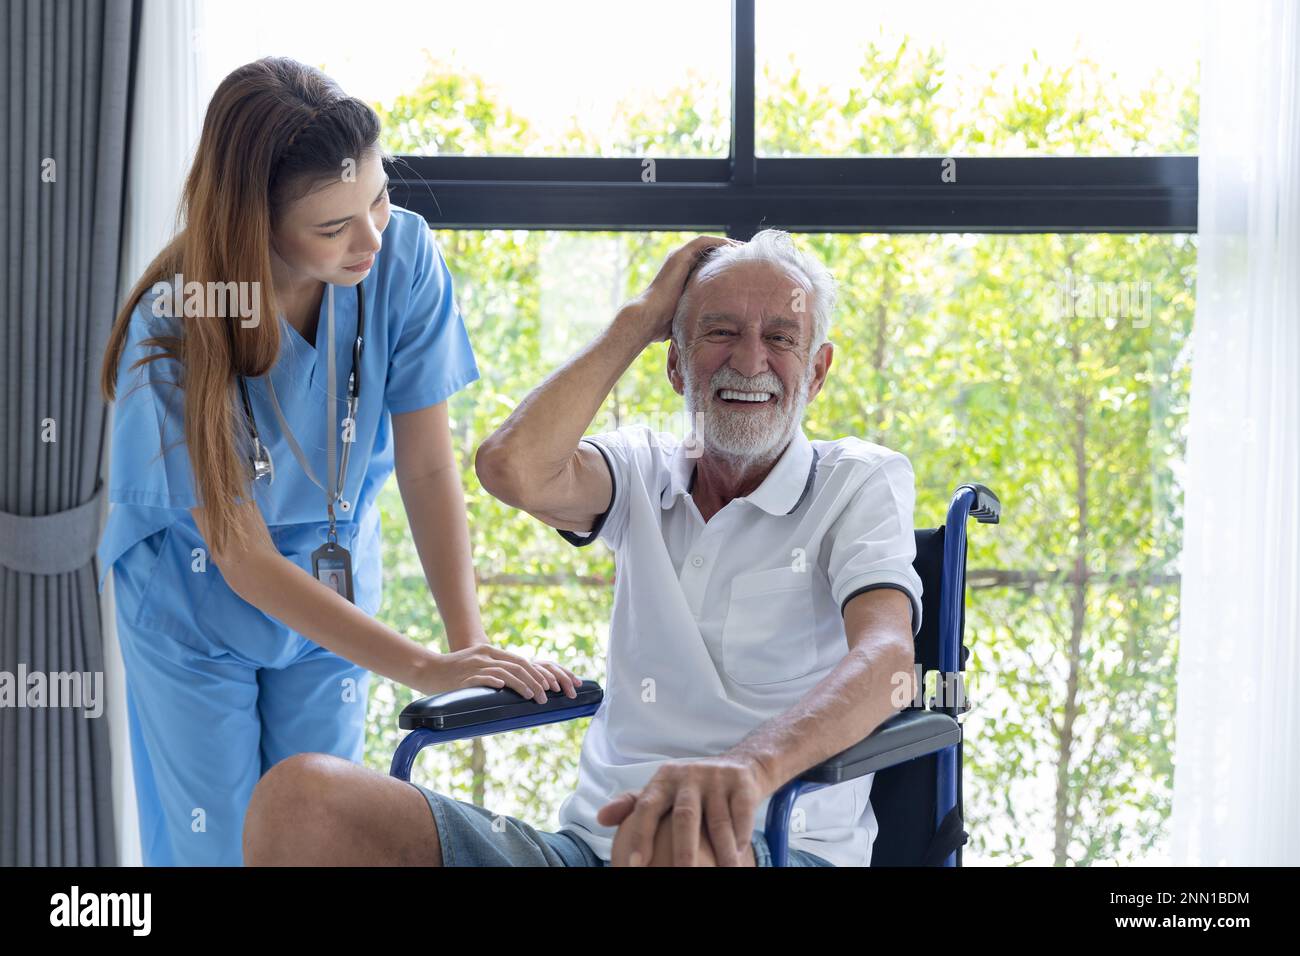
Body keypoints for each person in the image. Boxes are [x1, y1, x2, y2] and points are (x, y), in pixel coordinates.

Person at [240, 231, 922, 867]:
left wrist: (753, 767)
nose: (750, 360)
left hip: (765, 844)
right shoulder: (644, 468)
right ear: (676, 366)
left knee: (681, 844)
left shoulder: (858, 481)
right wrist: (639, 318)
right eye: (720, 333)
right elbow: (512, 468)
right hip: (593, 848)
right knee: (301, 801)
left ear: (819, 370)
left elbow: (888, 658)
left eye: (781, 337)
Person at [97, 57, 578, 867]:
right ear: (256, 225)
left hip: (330, 591)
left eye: (381, 197)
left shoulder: (404, 258)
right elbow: (240, 554)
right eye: (333, 228)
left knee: (312, 833)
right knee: (215, 843)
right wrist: (421, 663)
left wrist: (469, 655)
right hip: (196, 599)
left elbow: (428, 469)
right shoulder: (178, 325)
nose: (372, 238)